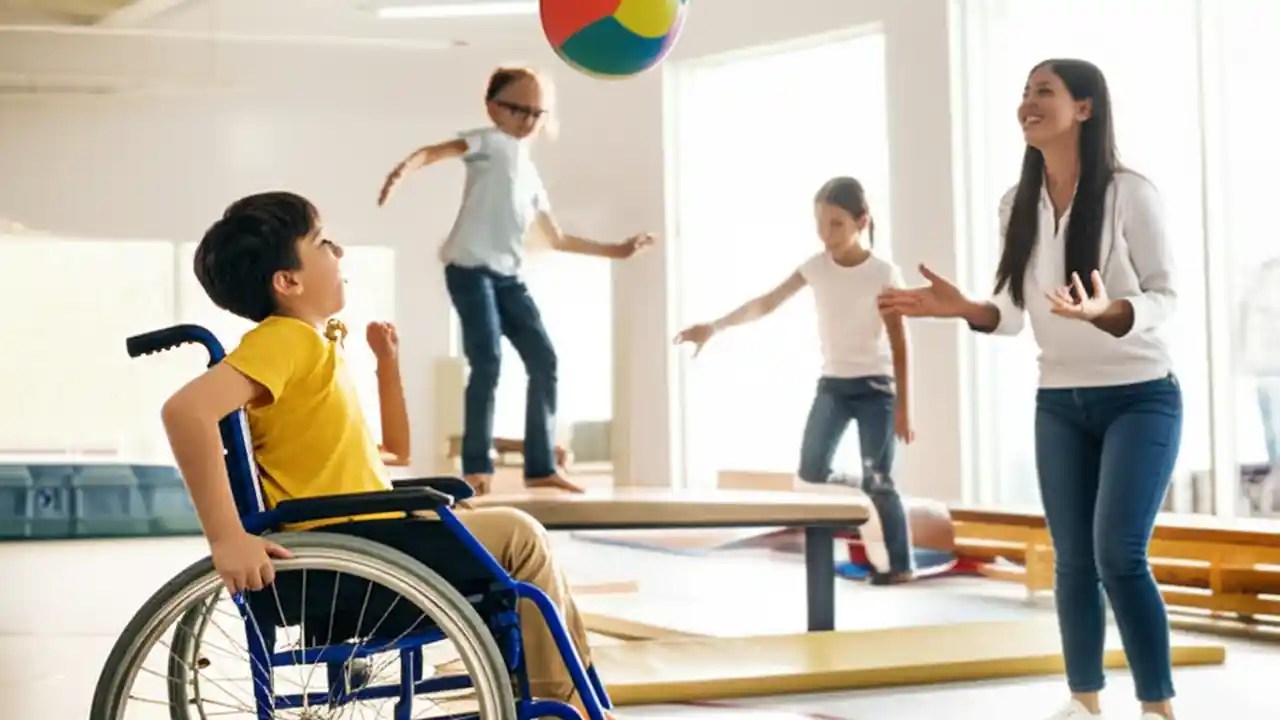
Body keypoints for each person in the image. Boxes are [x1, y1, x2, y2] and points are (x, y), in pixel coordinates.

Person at [162, 191, 614, 718]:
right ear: (288, 282)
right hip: (349, 554)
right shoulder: (286, 341)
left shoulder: (310, 346)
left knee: (501, 533)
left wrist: (386, 366)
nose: (340, 251)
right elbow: (185, 412)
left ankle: (573, 695)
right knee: (522, 535)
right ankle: (564, 701)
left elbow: (394, 453)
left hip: (366, 537)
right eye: (323, 242)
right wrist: (227, 538)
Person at [878, 59, 1180, 720]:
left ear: (1086, 108)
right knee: (1073, 559)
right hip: (1060, 402)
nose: (1027, 103)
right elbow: (1011, 315)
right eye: (1024, 93)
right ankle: (1084, 702)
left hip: (1140, 394)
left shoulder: (1131, 191)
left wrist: (1109, 313)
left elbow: (1164, 295)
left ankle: (1158, 708)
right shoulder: (1017, 205)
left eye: (1043, 91)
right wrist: (963, 308)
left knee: (1118, 555)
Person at [378, 65, 654, 496]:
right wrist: (404, 169)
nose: (527, 120)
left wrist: (617, 251)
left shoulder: (531, 175)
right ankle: (475, 468)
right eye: (517, 109)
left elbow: (557, 238)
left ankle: (541, 466)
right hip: (469, 272)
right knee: (487, 361)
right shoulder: (487, 142)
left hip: (508, 278)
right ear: (493, 108)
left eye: (536, 113)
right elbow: (434, 152)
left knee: (545, 360)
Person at [674, 176, 917, 584]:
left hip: (877, 388)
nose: (825, 234)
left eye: (836, 223)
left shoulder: (883, 273)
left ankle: (900, 565)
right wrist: (714, 327)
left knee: (881, 480)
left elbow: (900, 342)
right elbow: (765, 303)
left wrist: (905, 407)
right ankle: (870, 482)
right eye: (820, 223)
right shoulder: (815, 268)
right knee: (810, 471)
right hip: (835, 386)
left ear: (862, 221)